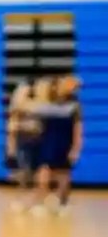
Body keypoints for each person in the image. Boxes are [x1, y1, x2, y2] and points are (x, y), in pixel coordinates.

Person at [27, 75, 82, 216]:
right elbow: (36, 124)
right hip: (47, 142)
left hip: (64, 142)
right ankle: (40, 203)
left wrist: (75, 148)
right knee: (44, 172)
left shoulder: (73, 107)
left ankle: (62, 204)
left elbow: (78, 129)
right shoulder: (45, 106)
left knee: (63, 174)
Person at [6, 81, 43, 207]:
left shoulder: (40, 104)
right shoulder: (17, 107)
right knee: (22, 170)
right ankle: (21, 198)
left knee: (36, 170)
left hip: (36, 138)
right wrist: (10, 147)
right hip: (21, 138)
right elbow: (12, 125)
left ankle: (37, 200)